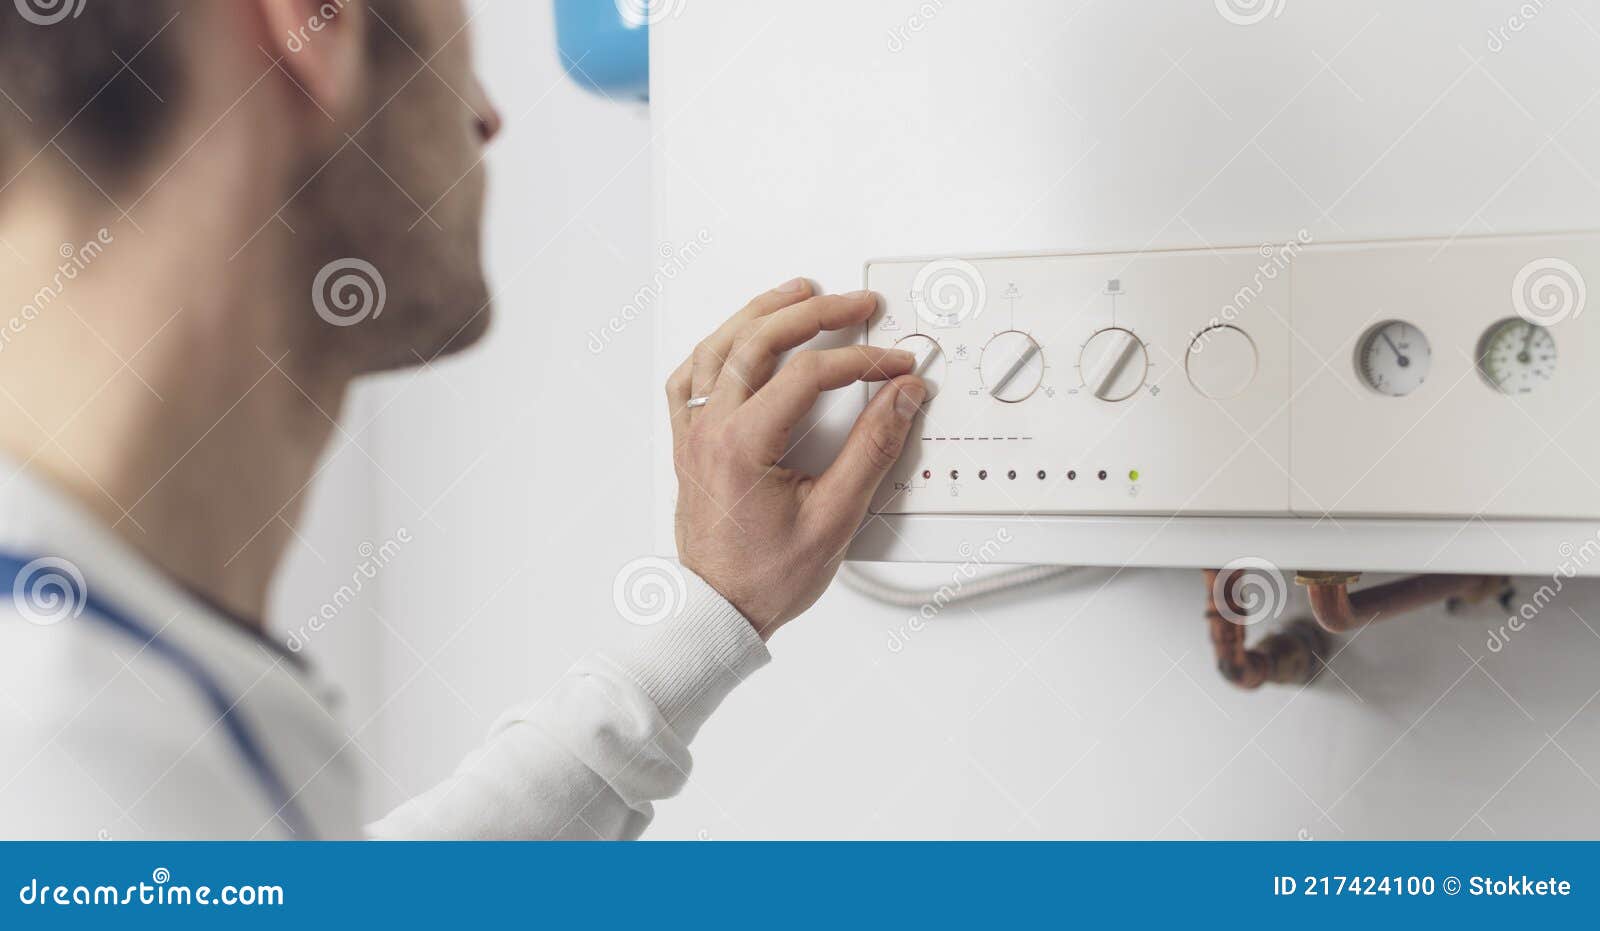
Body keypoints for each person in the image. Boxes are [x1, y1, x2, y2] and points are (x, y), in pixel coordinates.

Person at [0, 1, 925, 838]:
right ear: (313, 27)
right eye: (457, 44)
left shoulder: (101, 727)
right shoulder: (69, 755)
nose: (486, 116)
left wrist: (709, 614)